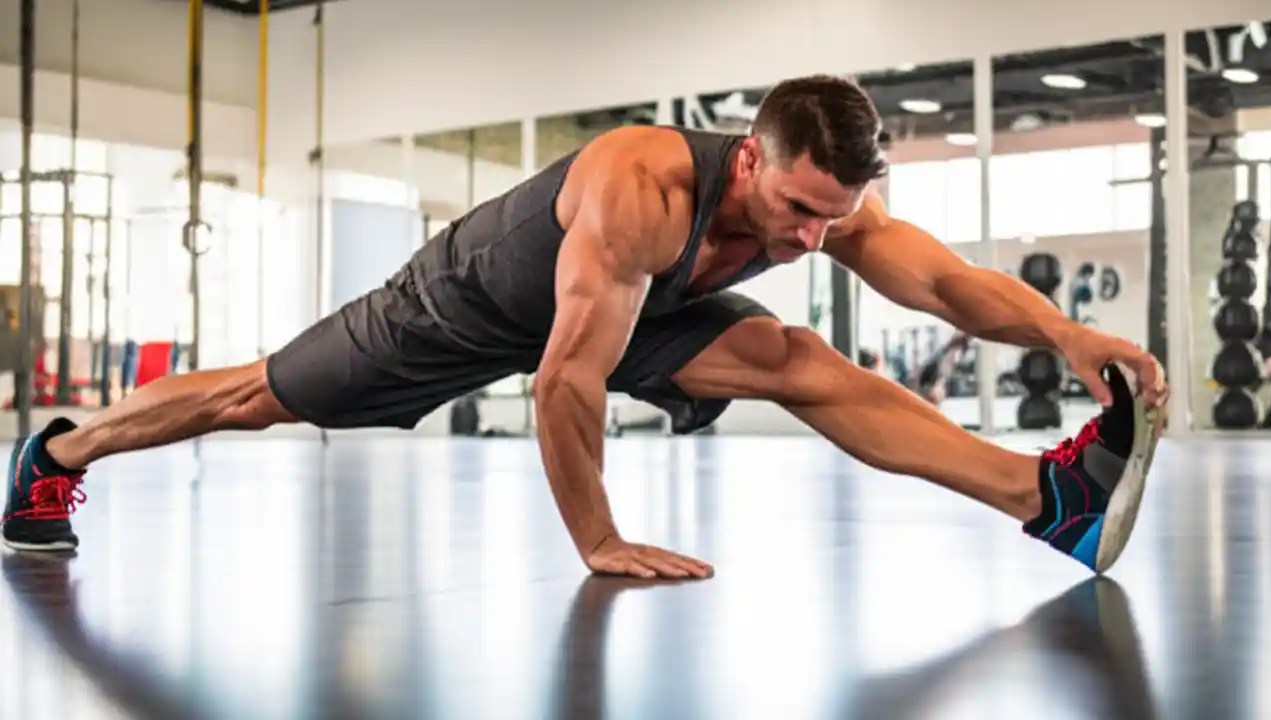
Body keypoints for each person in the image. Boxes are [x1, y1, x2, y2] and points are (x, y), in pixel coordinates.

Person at [3, 75, 1168, 578]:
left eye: (835, 216)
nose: (814, 238)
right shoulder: (639, 189)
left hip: (643, 307)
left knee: (798, 357)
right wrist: (599, 539)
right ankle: (54, 454)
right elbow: (565, 376)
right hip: (462, 305)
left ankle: (1049, 501)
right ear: (748, 160)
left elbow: (946, 286)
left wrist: (1065, 338)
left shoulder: (824, 205)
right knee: (254, 395)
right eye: (798, 211)